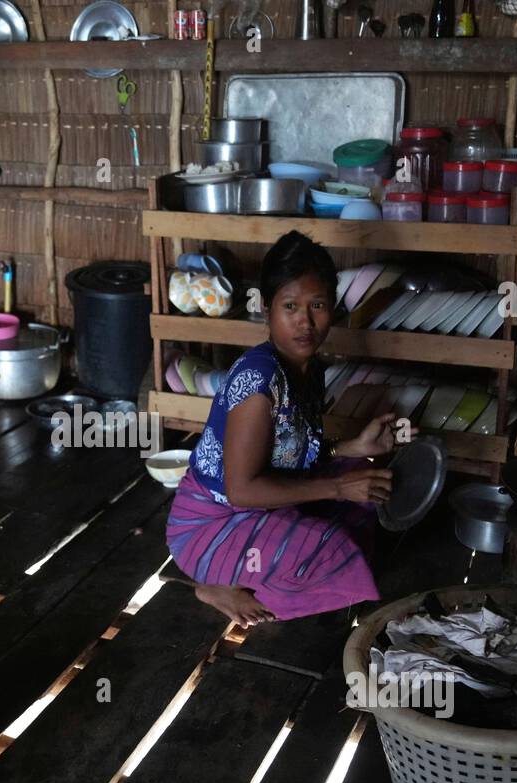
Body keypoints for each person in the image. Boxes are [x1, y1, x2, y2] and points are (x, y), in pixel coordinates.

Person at [166, 231, 409, 628]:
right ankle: (213, 584)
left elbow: (291, 450)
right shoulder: (258, 382)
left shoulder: (308, 370)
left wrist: (351, 447)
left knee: (369, 488)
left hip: (256, 506)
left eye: (318, 305)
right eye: (290, 306)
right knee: (335, 550)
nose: (305, 322)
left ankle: (276, 563)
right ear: (266, 309)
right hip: (211, 525)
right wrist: (336, 489)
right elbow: (242, 490)